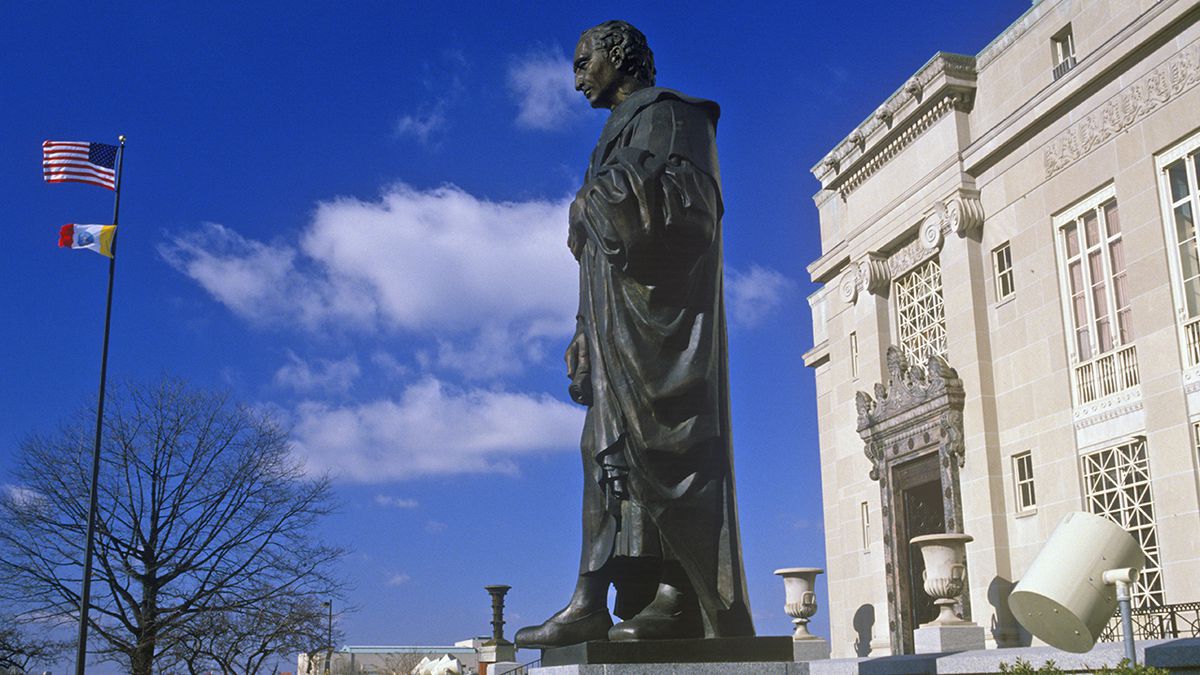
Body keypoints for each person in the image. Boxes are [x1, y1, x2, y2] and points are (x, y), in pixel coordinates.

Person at [514, 20, 754, 647]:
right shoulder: (614, 136)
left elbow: (692, 211)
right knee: (602, 450)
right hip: (612, 321)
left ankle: (677, 595)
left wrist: (597, 200)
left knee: (664, 449)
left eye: (582, 62)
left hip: (663, 328)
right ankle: (590, 599)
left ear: (619, 56)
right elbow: (596, 249)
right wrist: (582, 330)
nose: (576, 80)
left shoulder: (675, 116)